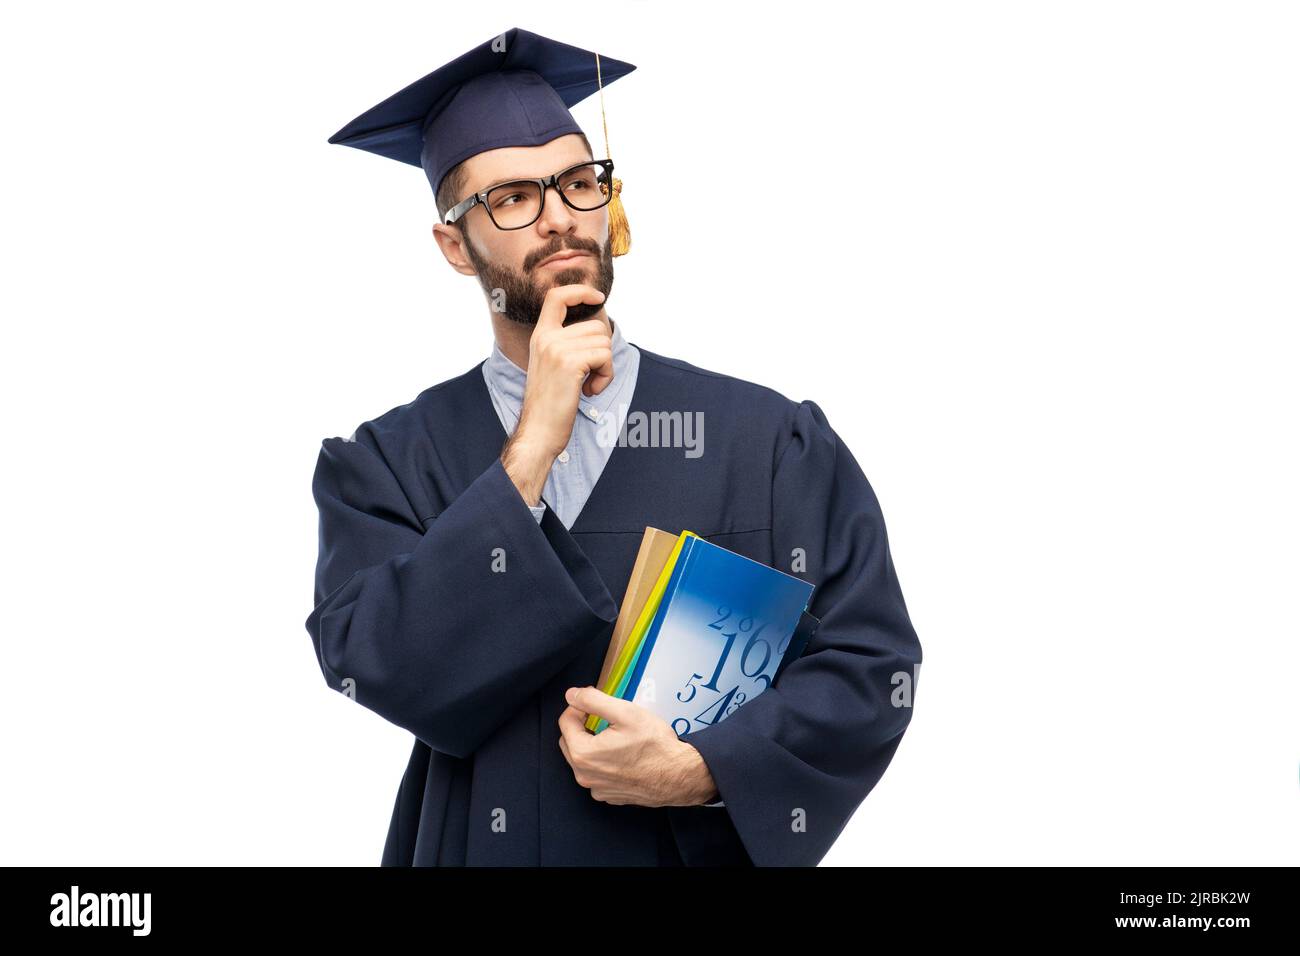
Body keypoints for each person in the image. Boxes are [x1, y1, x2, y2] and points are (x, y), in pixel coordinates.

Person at [306, 27, 922, 866]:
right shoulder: (385, 465)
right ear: (457, 247)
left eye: (578, 182)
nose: (560, 218)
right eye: (513, 198)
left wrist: (704, 768)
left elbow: (870, 665)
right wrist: (529, 452)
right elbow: (385, 668)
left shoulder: (767, 440)